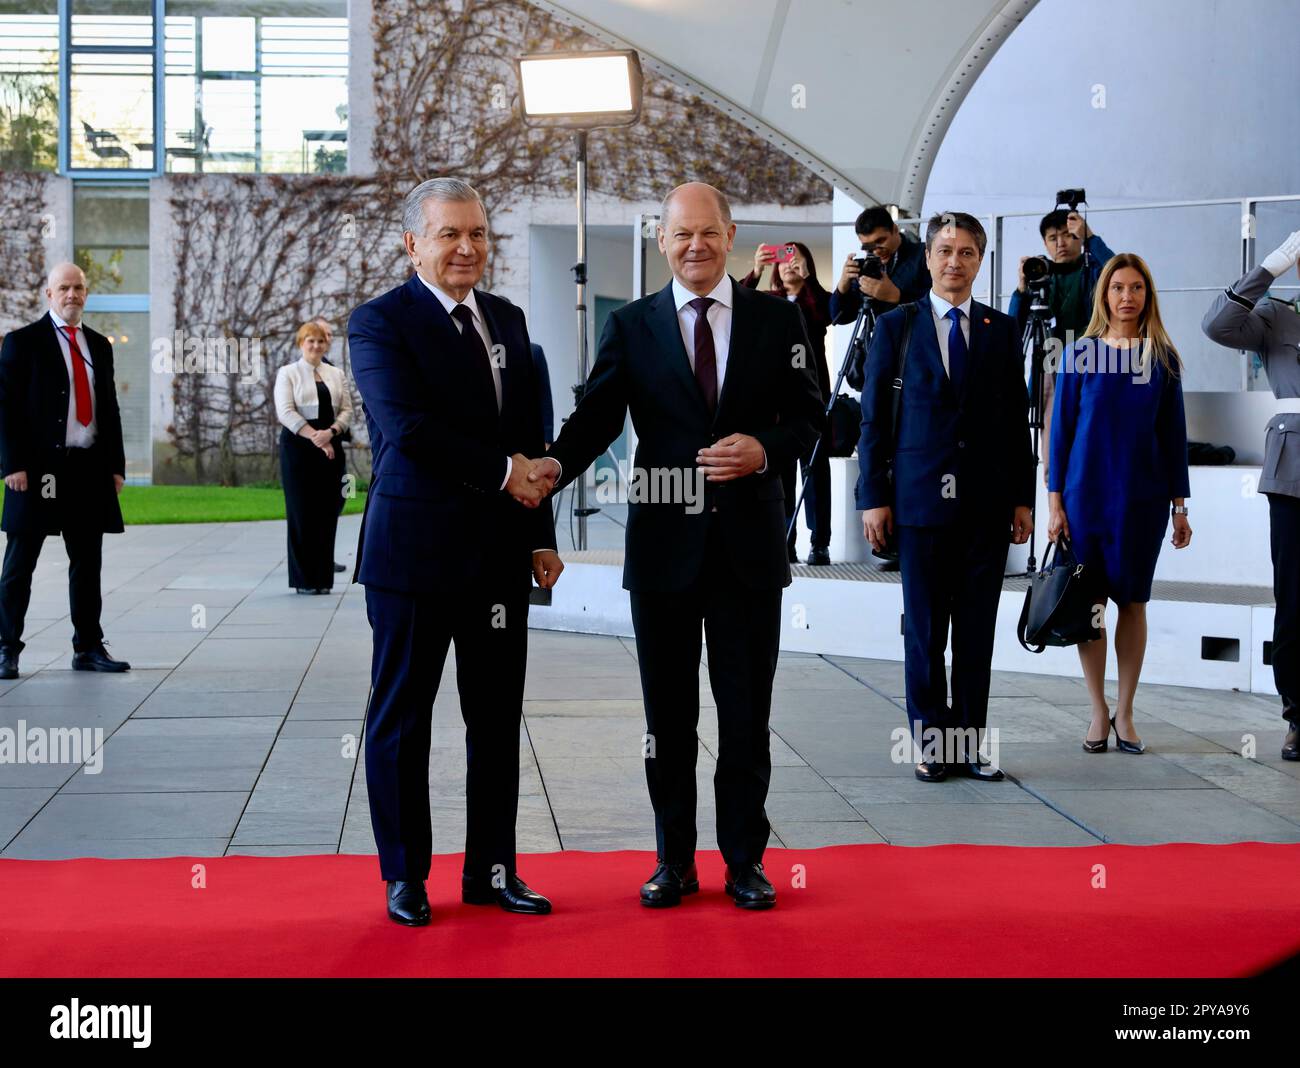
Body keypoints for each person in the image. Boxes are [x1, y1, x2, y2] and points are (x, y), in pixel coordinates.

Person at [528, 182, 823, 910]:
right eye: (680, 234)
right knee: (668, 721)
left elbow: (815, 416)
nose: (695, 245)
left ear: (730, 235)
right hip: (662, 554)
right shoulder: (632, 326)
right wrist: (553, 470)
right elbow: (595, 416)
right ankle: (674, 862)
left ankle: (745, 863)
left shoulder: (778, 318)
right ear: (661, 240)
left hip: (749, 552)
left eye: (708, 233)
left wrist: (765, 448)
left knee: (747, 714)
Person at [347, 177, 563, 926]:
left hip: (499, 558)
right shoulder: (379, 324)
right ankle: (405, 876)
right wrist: (508, 472)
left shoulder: (506, 319)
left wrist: (540, 535)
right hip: (413, 559)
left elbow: (530, 434)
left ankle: (492, 872)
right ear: (413, 244)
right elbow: (408, 429)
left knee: (497, 720)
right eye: (449, 234)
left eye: (477, 233)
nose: (467, 247)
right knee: (403, 718)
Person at [857, 213, 1035, 782]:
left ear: (979, 261)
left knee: (977, 631)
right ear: (927, 257)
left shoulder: (1001, 329)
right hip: (918, 506)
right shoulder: (897, 326)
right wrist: (873, 497)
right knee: (927, 630)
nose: (954, 262)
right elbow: (873, 422)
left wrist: (1021, 499)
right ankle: (932, 745)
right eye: (943, 251)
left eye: (965, 252)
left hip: (985, 506)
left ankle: (970, 743)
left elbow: (1015, 423)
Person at [1049, 253, 1192, 755]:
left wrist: (1180, 505)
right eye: (1117, 288)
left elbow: (1174, 437)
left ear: (1147, 295)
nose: (1126, 296)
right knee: (1090, 605)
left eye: (1135, 288)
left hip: (1143, 499)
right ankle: (1097, 710)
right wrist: (1054, 501)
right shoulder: (1080, 354)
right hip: (1086, 496)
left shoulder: (1163, 357)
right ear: (1103, 295)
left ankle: (1126, 712)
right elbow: (1060, 432)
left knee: (1133, 601)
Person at [0, 263, 130, 679]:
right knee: (20, 564)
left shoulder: (98, 344)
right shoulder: (23, 343)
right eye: (64, 288)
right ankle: (6, 648)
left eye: (79, 288)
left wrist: (115, 466)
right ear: (48, 293)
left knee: (88, 562)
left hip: (88, 468)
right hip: (37, 471)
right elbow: (6, 409)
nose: (72, 294)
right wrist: (12, 464)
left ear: (86, 294)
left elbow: (109, 408)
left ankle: (88, 647)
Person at [1202, 229, 1300, 761]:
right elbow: (1217, 325)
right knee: (1295, 595)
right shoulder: (1278, 316)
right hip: (1295, 472)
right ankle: (1298, 714)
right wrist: (1268, 268)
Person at [743, 240, 833, 564]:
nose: (789, 265)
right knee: (782, 474)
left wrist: (808, 279)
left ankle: (819, 542)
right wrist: (756, 271)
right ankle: (785, 540)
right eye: (784, 261)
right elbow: (740, 303)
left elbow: (828, 313)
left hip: (811, 399)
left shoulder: (812, 300)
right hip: (777, 404)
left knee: (816, 473)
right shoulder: (769, 302)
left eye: (796, 260)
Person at [1009, 209, 1116, 479]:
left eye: (1069, 236)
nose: (1061, 243)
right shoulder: (1041, 276)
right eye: (1053, 237)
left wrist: (1091, 237)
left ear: (1079, 238)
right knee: (1053, 449)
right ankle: (1055, 501)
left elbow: (1118, 270)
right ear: (1044, 242)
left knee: (1091, 442)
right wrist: (1022, 289)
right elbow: (1013, 328)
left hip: (1090, 362)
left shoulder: (1093, 271)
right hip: (1050, 361)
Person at [274, 321, 353, 594]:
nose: (316, 346)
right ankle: (304, 580)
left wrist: (330, 433)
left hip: (330, 446)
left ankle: (323, 579)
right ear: (301, 343)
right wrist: (314, 436)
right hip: (298, 449)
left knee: (327, 511)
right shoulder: (288, 373)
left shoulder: (336, 373)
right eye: (311, 341)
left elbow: (347, 410)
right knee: (301, 513)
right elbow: (285, 411)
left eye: (321, 341)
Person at [829, 206, 931, 329]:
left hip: (917, 342)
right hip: (878, 344)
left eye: (881, 241)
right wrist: (842, 286)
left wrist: (897, 296)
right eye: (868, 246)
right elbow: (838, 318)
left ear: (895, 229)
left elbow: (943, 304)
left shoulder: (925, 255)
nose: (876, 251)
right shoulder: (866, 268)